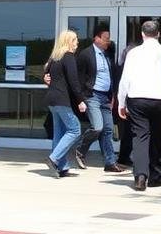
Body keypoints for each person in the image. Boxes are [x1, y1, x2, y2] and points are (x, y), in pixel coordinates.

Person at [117, 20, 161, 192]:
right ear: (158, 34)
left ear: (142, 34)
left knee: (140, 138)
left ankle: (140, 176)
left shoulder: (133, 54)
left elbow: (125, 80)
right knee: (158, 139)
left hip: (137, 99)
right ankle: (155, 177)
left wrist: (121, 102)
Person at [75, 24, 124, 173]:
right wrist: (81, 98)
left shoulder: (107, 54)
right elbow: (79, 78)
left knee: (108, 130)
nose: (108, 41)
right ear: (96, 38)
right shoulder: (86, 54)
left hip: (106, 97)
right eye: (105, 39)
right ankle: (80, 150)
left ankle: (110, 162)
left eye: (109, 39)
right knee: (97, 127)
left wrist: (113, 96)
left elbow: (112, 76)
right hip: (92, 96)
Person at [44, 29, 88, 177]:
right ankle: (54, 158)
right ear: (69, 41)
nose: (77, 43)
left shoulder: (54, 57)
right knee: (75, 129)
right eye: (75, 40)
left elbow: (46, 75)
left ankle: (61, 167)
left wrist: (45, 77)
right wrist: (81, 100)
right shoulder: (68, 57)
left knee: (60, 132)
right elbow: (74, 81)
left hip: (52, 100)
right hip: (62, 100)